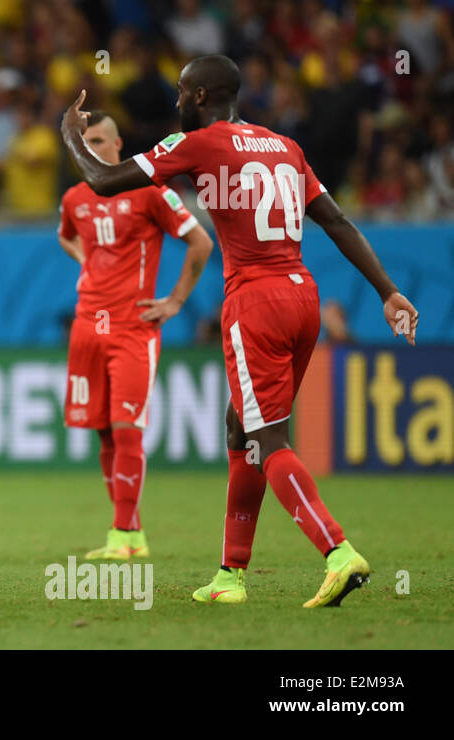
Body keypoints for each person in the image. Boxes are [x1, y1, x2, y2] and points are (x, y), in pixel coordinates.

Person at [59, 55, 420, 608]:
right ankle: (231, 575)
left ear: (201, 96)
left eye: (181, 92)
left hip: (255, 302)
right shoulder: (283, 146)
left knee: (268, 440)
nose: (176, 101)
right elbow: (338, 222)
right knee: (241, 429)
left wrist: (71, 137)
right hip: (303, 296)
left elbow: (104, 180)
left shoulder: (198, 142)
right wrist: (388, 291)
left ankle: (338, 552)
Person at [57, 111, 213, 561]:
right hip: (87, 325)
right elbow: (64, 236)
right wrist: (88, 262)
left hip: (132, 327)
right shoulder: (74, 199)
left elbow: (200, 242)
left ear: (120, 144)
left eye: (101, 141)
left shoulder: (150, 192)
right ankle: (131, 535)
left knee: (128, 431)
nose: (94, 149)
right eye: (85, 142)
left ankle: (122, 533)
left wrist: (176, 301)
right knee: (104, 432)